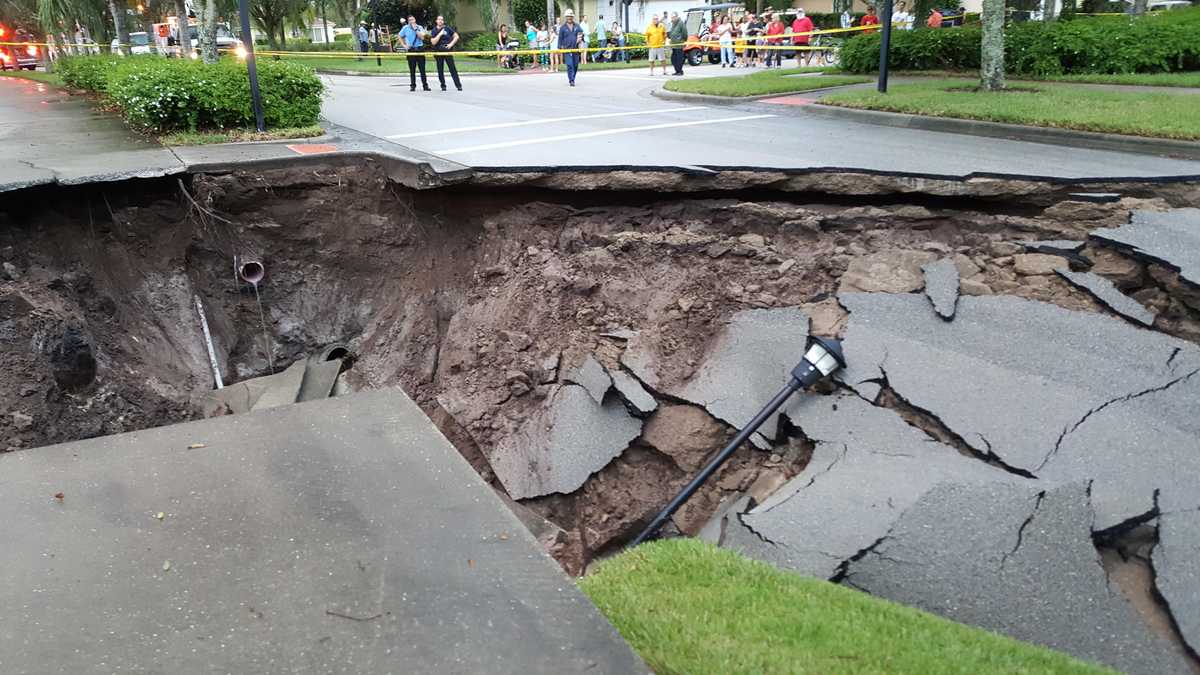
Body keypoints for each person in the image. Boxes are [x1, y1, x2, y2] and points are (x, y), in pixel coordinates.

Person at [430, 15, 462, 91]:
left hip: (447, 51)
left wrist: (451, 44)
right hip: (438, 51)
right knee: (440, 69)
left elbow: (456, 36)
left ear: (443, 21)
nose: (440, 21)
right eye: (439, 19)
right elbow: (433, 42)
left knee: (452, 69)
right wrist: (440, 34)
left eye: (442, 20)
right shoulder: (434, 30)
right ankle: (443, 86)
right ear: (436, 21)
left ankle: (458, 85)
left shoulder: (447, 28)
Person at [399, 15, 429, 92]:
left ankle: (425, 86)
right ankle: (413, 86)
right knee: (412, 69)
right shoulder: (405, 28)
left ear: (415, 20)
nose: (411, 21)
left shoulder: (420, 27)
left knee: (422, 69)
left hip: (419, 49)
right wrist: (404, 45)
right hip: (411, 50)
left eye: (412, 19)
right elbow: (399, 36)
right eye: (409, 20)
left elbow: (422, 37)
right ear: (408, 21)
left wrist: (415, 29)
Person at [558, 9, 584, 86]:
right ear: (566, 17)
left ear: (572, 17)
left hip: (575, 48)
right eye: (568, 16)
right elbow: (560, 38)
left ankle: (573, 77)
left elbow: (581, 33)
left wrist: (581, 37)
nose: (569, 18)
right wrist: (560, 47)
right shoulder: (563, 27)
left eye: (571, 16)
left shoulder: (577, 26)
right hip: (567, 49)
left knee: (575, 65)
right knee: (569, 65)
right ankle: (571, 80)